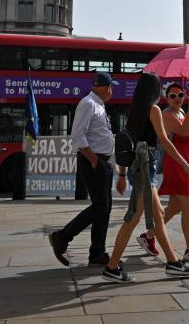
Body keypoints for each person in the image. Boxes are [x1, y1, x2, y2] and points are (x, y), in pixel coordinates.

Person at [102, 72, 189, 282]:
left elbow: (128, 144)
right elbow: (164, 141)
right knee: (133, 219)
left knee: (155, 216)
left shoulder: (135, 110)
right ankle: (113, 266)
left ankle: (171, 262)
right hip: (145, 169)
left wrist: (123, 174)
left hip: (138, 169)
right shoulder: (153, 109)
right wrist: (185, 164)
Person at [49, 71, 119, 267]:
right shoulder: (88, 103)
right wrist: (94, 159)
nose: (112, 90)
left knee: (105, 209)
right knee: (100, 206)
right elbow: (78, 135)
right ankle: (62, 236)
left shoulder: (99, 105)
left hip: (102, 161)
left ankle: (97, 252)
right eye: (111, 86)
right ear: (105, 87)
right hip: (93, 161)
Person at [138, 83, 189, 263]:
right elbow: (183, 131)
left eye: (180, 95)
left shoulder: (181, 113)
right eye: (173, 96)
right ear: (166, 98)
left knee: (175, 208)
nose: (178, 98)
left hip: (188, 160)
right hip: (179, 163)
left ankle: (148, 236)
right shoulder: (167, 115)